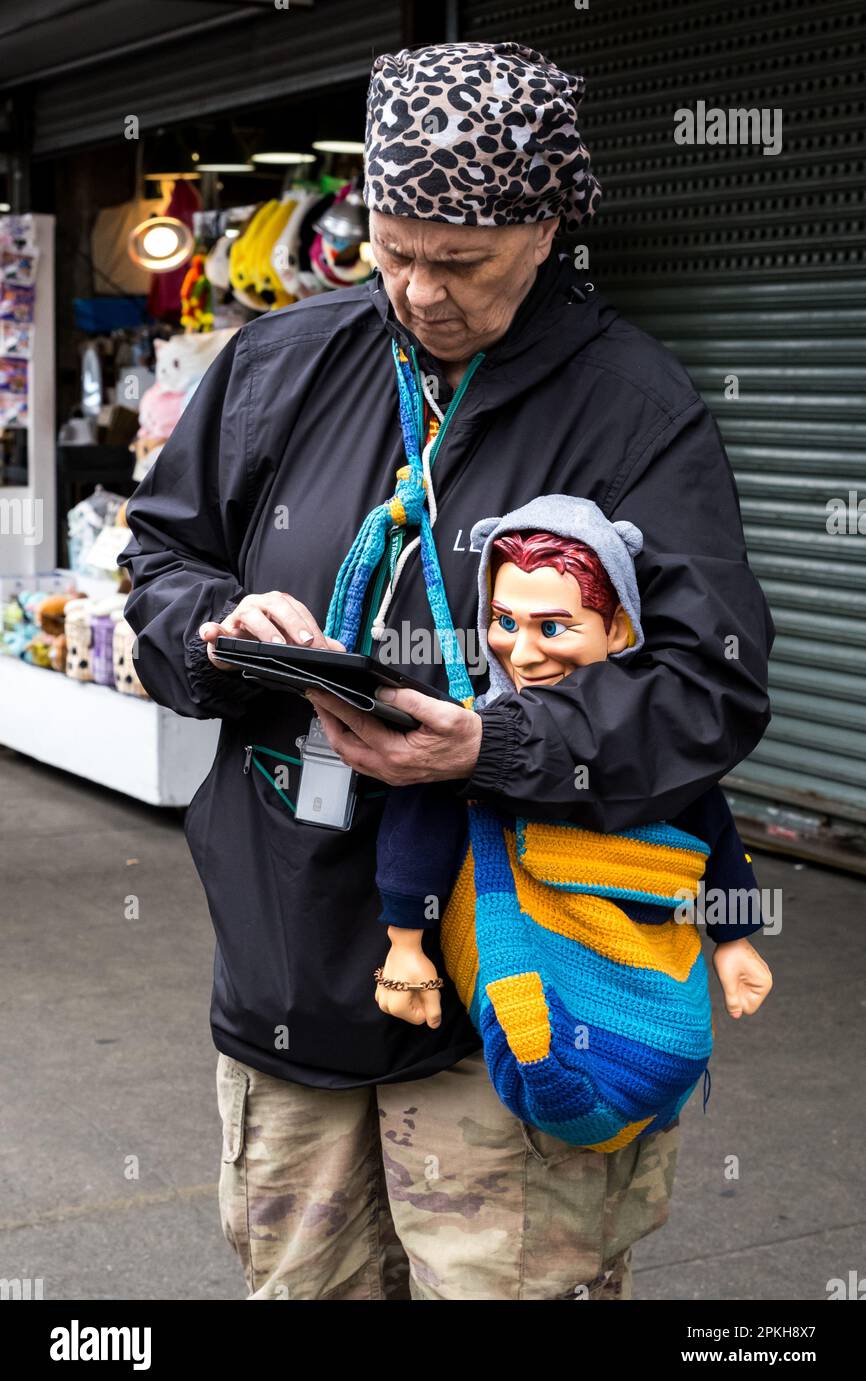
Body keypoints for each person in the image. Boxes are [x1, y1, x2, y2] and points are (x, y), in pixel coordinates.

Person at [119, 40, 774, 1300]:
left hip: (522, 991)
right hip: (290, 967)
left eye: (459, 260)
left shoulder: (632, 404)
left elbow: (712, 680)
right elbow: (161, 562)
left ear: (544, 228)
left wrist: (493, 747)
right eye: (393, 243)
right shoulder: (278, 362)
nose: (417, 290)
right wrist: (216, 626)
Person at [372, 500, 773, 1059]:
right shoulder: (470, 729)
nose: (524, 652)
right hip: (515, 960)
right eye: (504, 622)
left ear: (619, 629)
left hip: (638, 954)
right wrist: (405, 944)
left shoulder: (645, 733)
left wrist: (734, 936)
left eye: (553, 628)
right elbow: (419, 828)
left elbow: (711, 824)